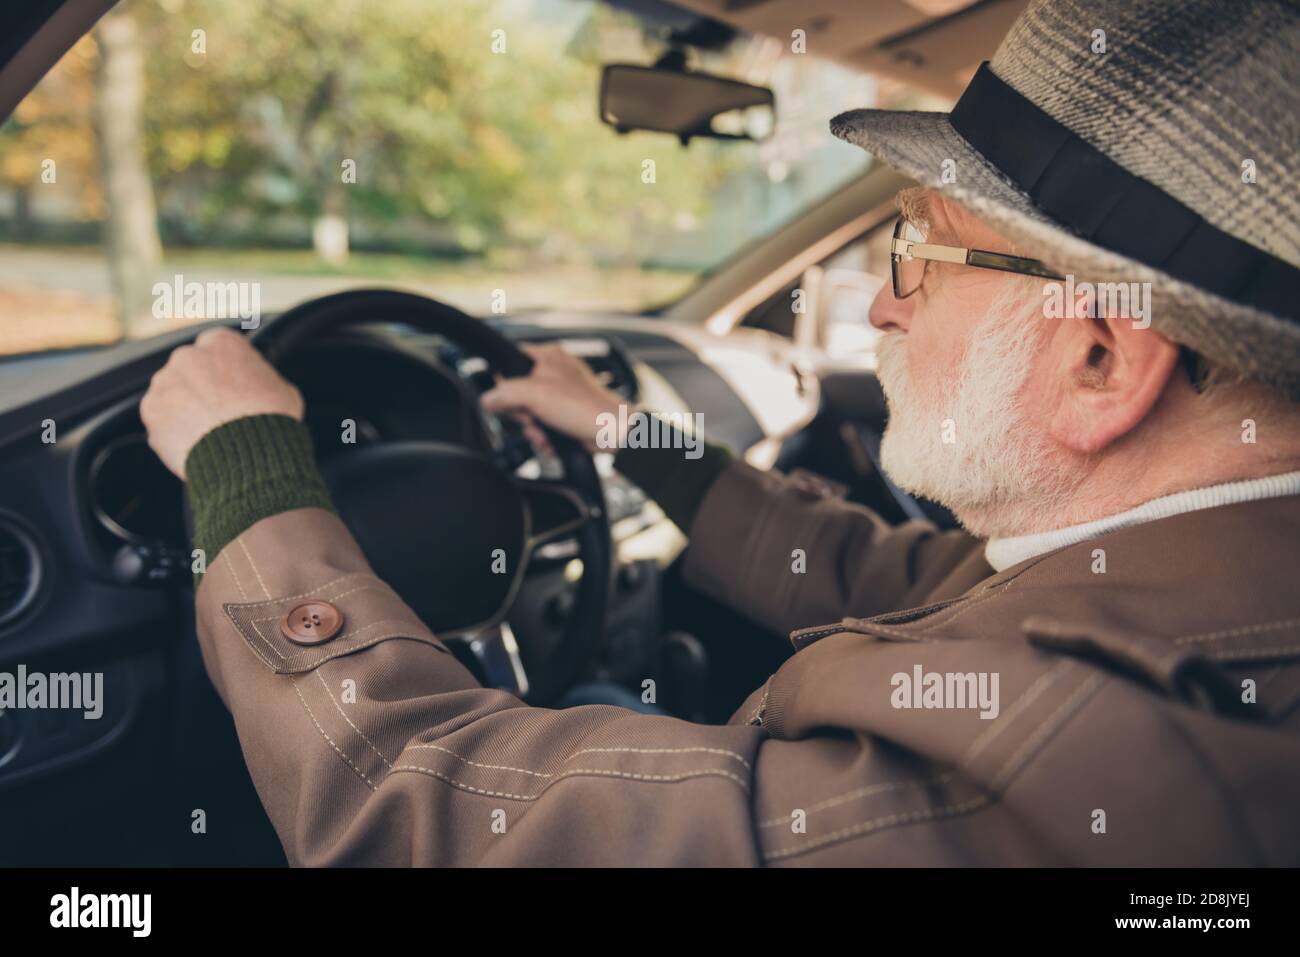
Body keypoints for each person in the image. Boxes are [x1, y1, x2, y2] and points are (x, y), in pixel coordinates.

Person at [140, 0, 1300, 865]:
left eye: (917, 252)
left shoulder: (1064, 775)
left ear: (1099, 359)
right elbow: (874, 574)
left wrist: (248, 467)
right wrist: (616, 429)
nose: (885, 304)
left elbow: (431, 812)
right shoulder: (1178, 569)